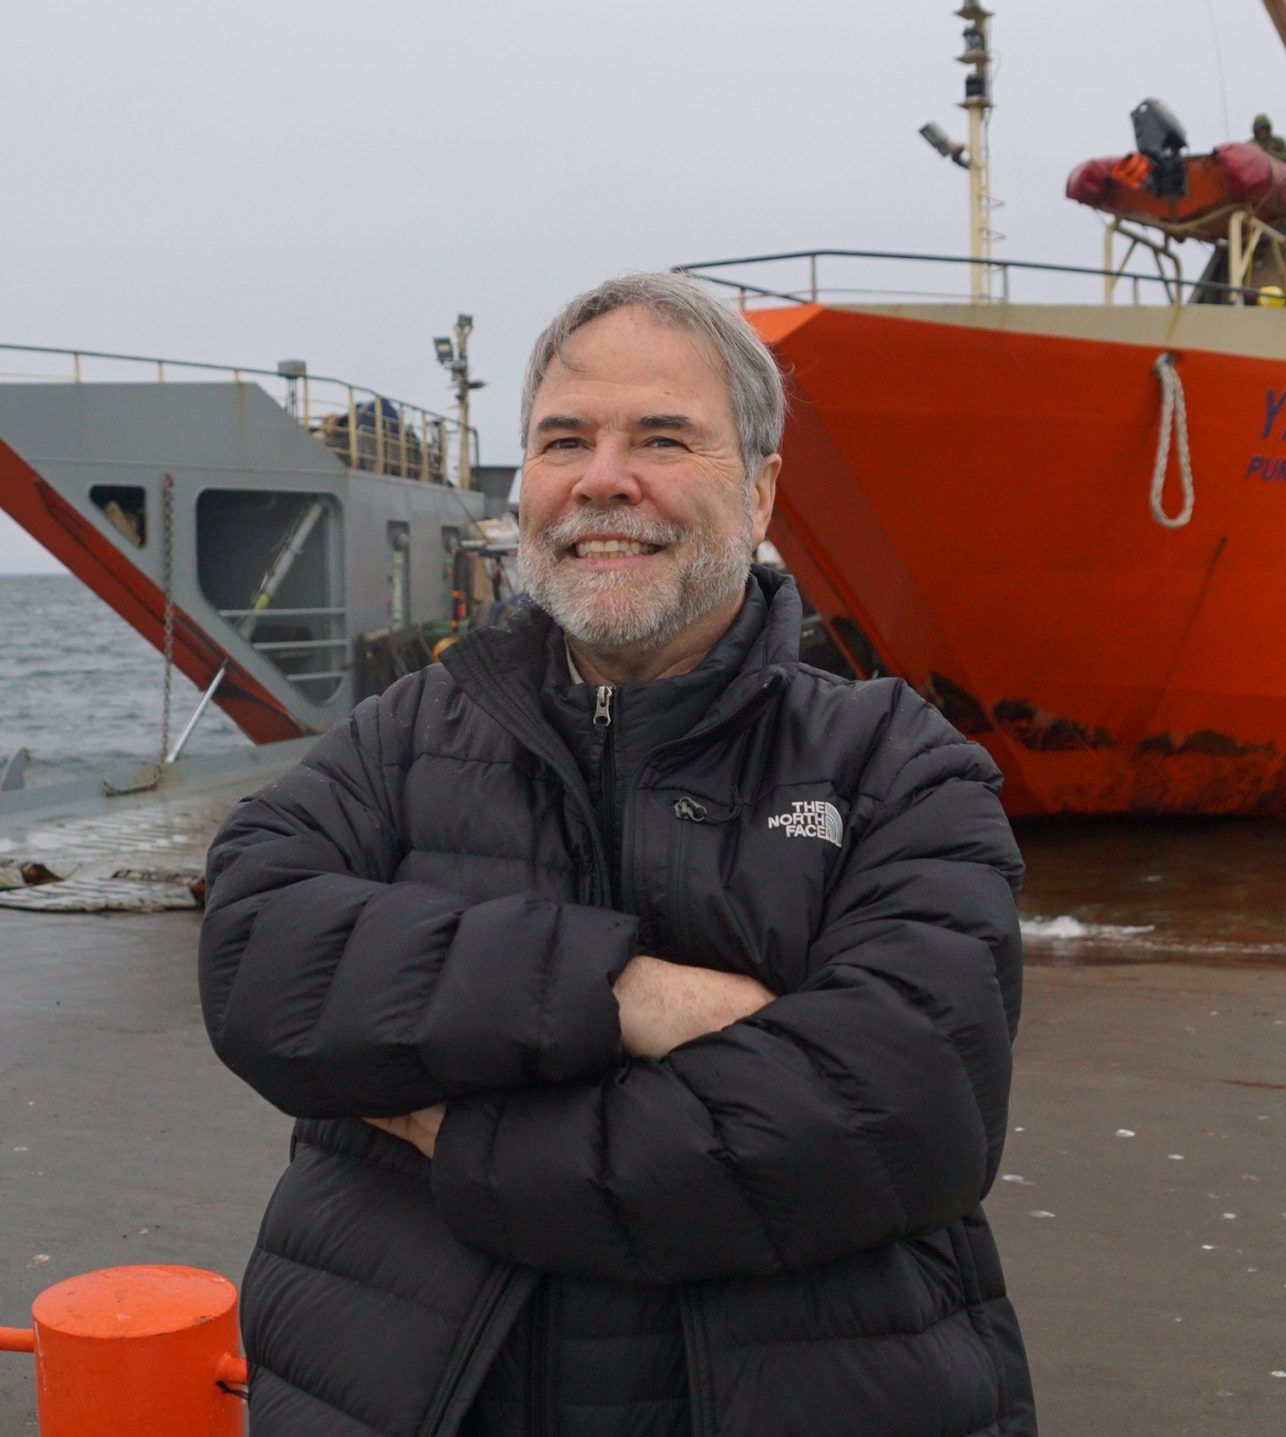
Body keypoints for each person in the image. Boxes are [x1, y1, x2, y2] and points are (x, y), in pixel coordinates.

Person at [199, 272, 1034, 1437]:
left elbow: (903, 1109)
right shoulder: (403, 734)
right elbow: (254, 952)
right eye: (564, 441)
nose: (602, 478)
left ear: (760, 492)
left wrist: (465, 1138)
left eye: (662, 438)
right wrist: (622, 993)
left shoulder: (897, 767)